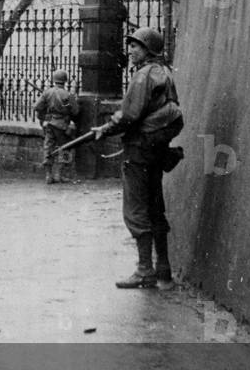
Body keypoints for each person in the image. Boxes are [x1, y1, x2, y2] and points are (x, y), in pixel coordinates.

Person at [93, 27, 183, 290]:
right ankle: (163, 270)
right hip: (156, 149)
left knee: (135, 211)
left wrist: (105, 128)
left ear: (148, 50)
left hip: (139, 150)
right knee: (155, 207)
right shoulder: (165, 73)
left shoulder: (144, 76)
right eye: (131, 45)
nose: (130, 50)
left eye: (136, 46)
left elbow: (130, 114)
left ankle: (145, 271)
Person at [34, 69, 79, 184]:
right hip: (62, 125)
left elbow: (38, 107)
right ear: (65, 80)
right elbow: (74, 111)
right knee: (65, 148)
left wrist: (45, 116)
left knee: (48, 147)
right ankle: (60, 174)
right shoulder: (66, 95)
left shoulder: (48, 93)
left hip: (49, 123)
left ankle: (48, 175)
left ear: (54, 80)